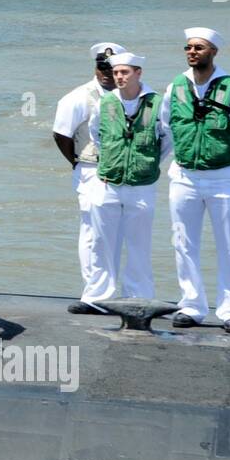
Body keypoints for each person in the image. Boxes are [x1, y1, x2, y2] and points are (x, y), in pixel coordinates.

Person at [160, 28, 230, 333]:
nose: (192, 51)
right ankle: (191, 305)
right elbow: (167, 127)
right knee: (183, 243)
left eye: (199, 47)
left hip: (223, 178)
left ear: (214, 52)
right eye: (188, 47)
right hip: (183, 176)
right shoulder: (176, 87)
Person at [77, 52, 170, 308]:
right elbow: (97, 135)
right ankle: (97, 297)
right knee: (101, 242)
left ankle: (138, 296)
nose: (119, 77)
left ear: (138, 73)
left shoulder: (157, 103)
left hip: (142, 184)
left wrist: (145, 163)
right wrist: (114, 158)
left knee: (139, 243)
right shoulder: (105, 103)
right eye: (116, 72)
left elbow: (166, 139)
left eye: (124, 72)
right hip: (108, 180)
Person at [53, 41, 124, 314]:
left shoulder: (129, 94)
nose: (106, 72)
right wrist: (77, 163)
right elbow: (61, 134)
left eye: (112, 67)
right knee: (93, 234)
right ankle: (93, 295)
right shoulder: (79, 97)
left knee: (117, 235)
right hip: (91, 169)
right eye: (101, 66)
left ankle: (113, 292)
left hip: (122, 173)